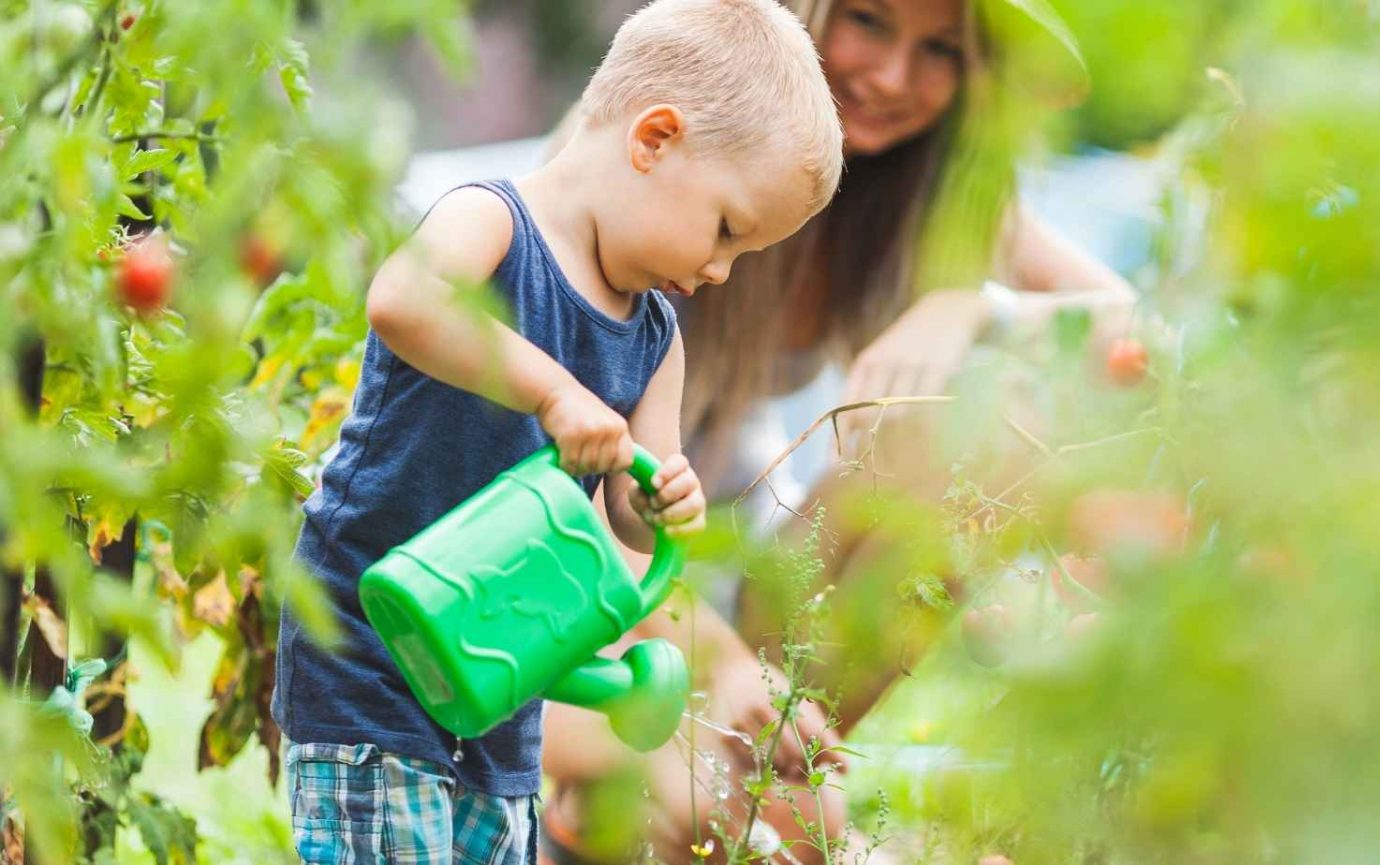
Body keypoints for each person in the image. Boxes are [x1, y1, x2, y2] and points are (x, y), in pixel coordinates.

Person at [540, 0, 1138, 862]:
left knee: (999, 418)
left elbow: (1131, 329)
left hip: (724, 599)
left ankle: (759, 774)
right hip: (583, 589)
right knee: (751, 819)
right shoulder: (654, 150)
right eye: (867, 20)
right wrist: (713, 659)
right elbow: (565, 488)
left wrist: (969, 306)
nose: (892, 77)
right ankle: (644, 810)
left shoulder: (931, 193)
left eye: (939, 50)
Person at [270, 0, 844, 860]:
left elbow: (633, 519)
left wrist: (669, 501)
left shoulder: (655, 342)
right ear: (654, 138)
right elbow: (402, 299)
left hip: (502, 681)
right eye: (726, 229)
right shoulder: (491, 224)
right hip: (371, 656)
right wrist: (551, 393)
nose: (722, 270)